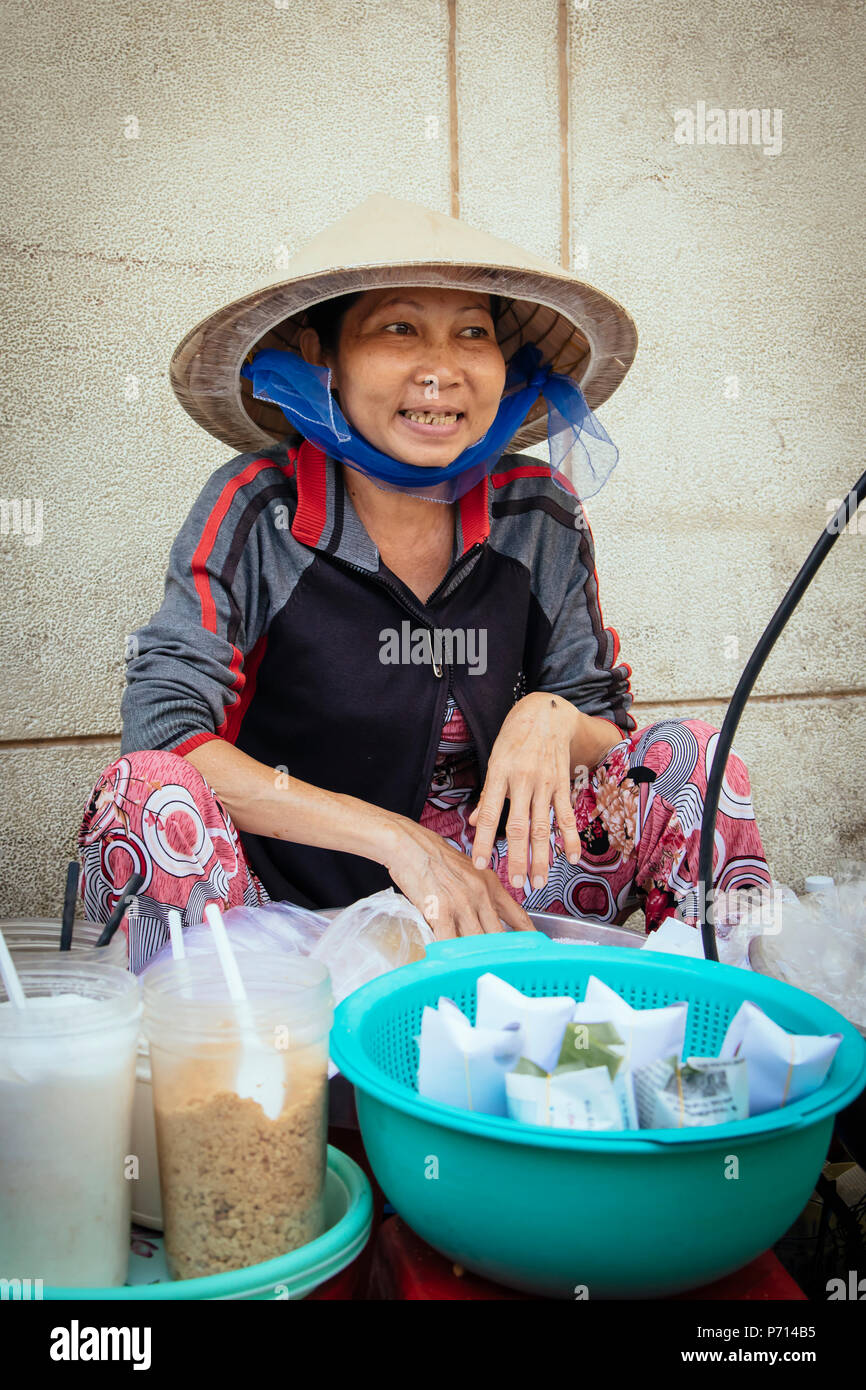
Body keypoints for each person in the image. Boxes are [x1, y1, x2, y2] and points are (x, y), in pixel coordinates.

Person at [79, 193, 771, 971]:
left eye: (472, 332)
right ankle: (231, 1077)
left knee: (696, 758)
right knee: (147, 789)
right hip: (290, 908)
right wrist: (396, 841)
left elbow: (603, 716)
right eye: (398, 328)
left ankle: (715, 1038)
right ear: (321, 356)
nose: (441, 369)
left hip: (498, 893)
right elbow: (164, 730)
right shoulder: (258, 507)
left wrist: (550, 715)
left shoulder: (536, 510)